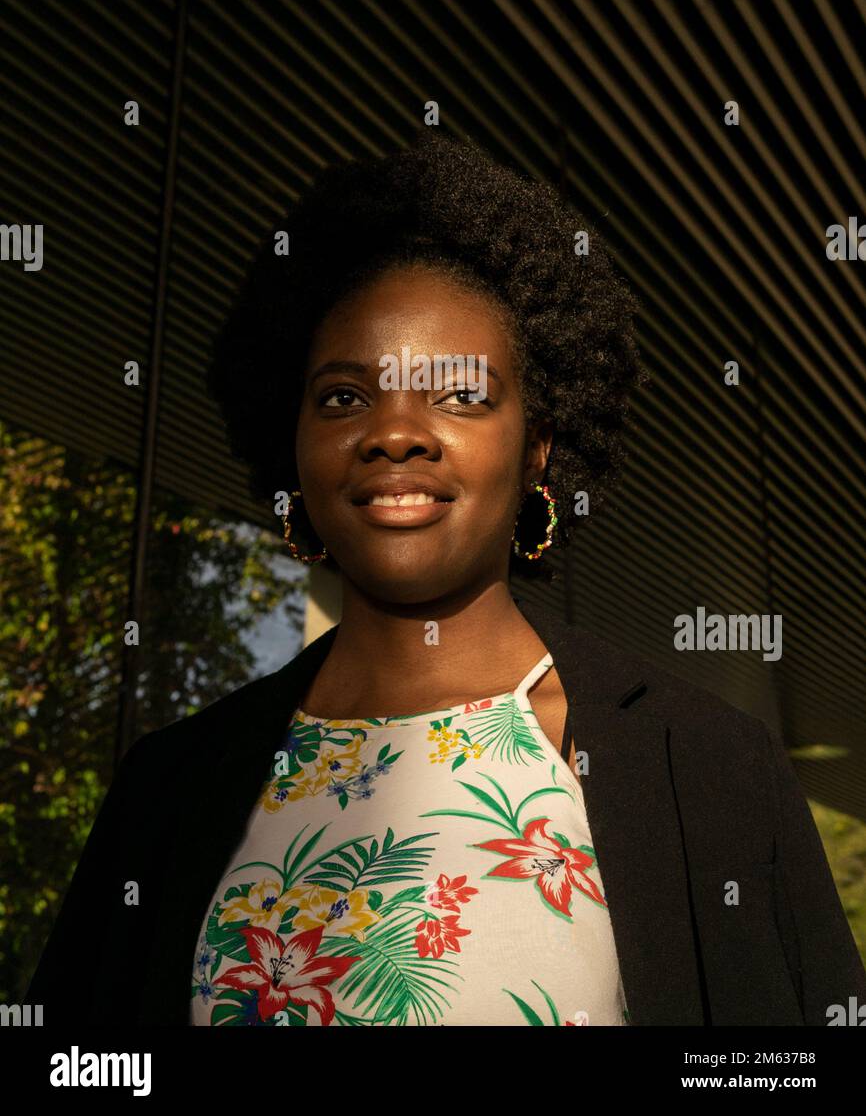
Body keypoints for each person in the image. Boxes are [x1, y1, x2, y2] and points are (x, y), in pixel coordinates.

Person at [25, 131, 865, 1026]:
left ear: (537, 444)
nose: (396, 433)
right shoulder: (170, 787)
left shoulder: (702, 763)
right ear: (295, 444)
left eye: (460, 393)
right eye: (346, 397)